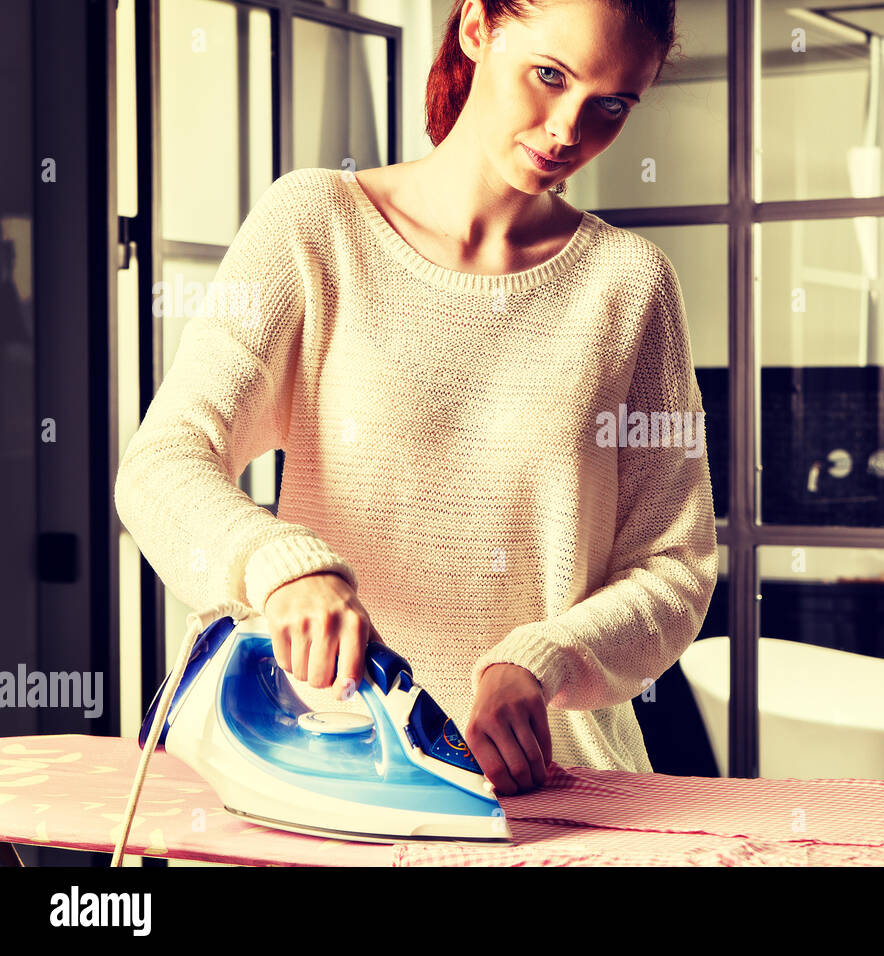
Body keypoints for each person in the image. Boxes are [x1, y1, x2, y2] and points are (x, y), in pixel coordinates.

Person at [114, 0, 717, 797]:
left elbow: (674, 569)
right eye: (550, 75)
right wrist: (281, 568)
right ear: (477, 27)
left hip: (565, 788)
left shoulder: (631, 285)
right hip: (336, 782)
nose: (568, 130)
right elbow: (161, 464)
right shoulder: (315, 227)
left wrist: (543, 661)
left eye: (611, 105)